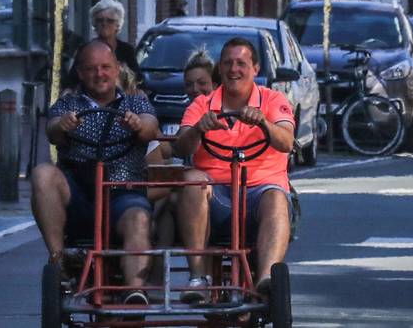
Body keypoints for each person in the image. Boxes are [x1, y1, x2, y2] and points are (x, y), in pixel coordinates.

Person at [30, 41, 159, 306]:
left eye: (105, 67)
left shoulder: (136, 101)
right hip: (79, 192)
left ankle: (135, 291)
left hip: (123, 192)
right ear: (80, 73)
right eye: (91, 69)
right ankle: (59, 261)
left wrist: (138, 124)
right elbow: (52, 131)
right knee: (43, 173)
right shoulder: (68, 103)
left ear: (117, 70)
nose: (99, 74)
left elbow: (151, 128)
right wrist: (62, 126)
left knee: (138, 217)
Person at [174, 38, 295, 302]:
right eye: (228, 63)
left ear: (255, 68)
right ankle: (198, 278)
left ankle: (265, 278)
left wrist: (264, 122)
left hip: (259, 195)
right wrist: (198, 129)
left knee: (276, 196)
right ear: (220, 68)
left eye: (241, 63)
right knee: (192, 179)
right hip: (216, 197)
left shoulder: (273, 100)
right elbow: (181, 147)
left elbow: (286, 142)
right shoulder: (202, 104)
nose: (233, 69)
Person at [64, 0, 140, 91]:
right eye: (100, 20)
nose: (104, 24)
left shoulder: (126, 50)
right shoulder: (85, 50)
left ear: (118, 25)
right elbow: (72, 81)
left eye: (110, 21)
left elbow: (138, 79)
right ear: (94, 25)